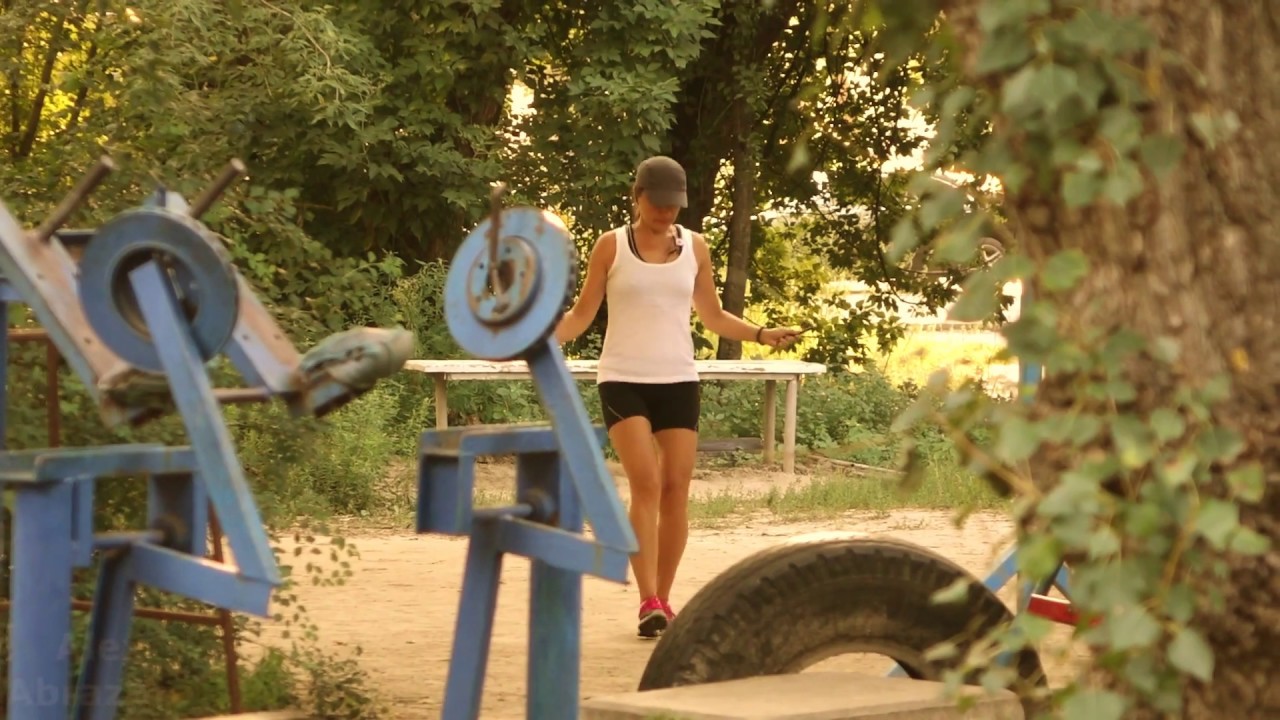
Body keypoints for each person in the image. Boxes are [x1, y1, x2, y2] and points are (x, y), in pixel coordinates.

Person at [554, 155, 801, 638]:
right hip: (623, 377)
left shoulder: (696, 247)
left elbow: (712, 316)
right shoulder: (611, 246)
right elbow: (582, 316)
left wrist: (760, 332)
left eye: (674, 205)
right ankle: (646, 597)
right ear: (637, 196)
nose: (667, 213)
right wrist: (534, 339)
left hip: (678, 379)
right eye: (658, 203)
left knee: (676, 489)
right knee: (645, 482)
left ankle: (663, 600)